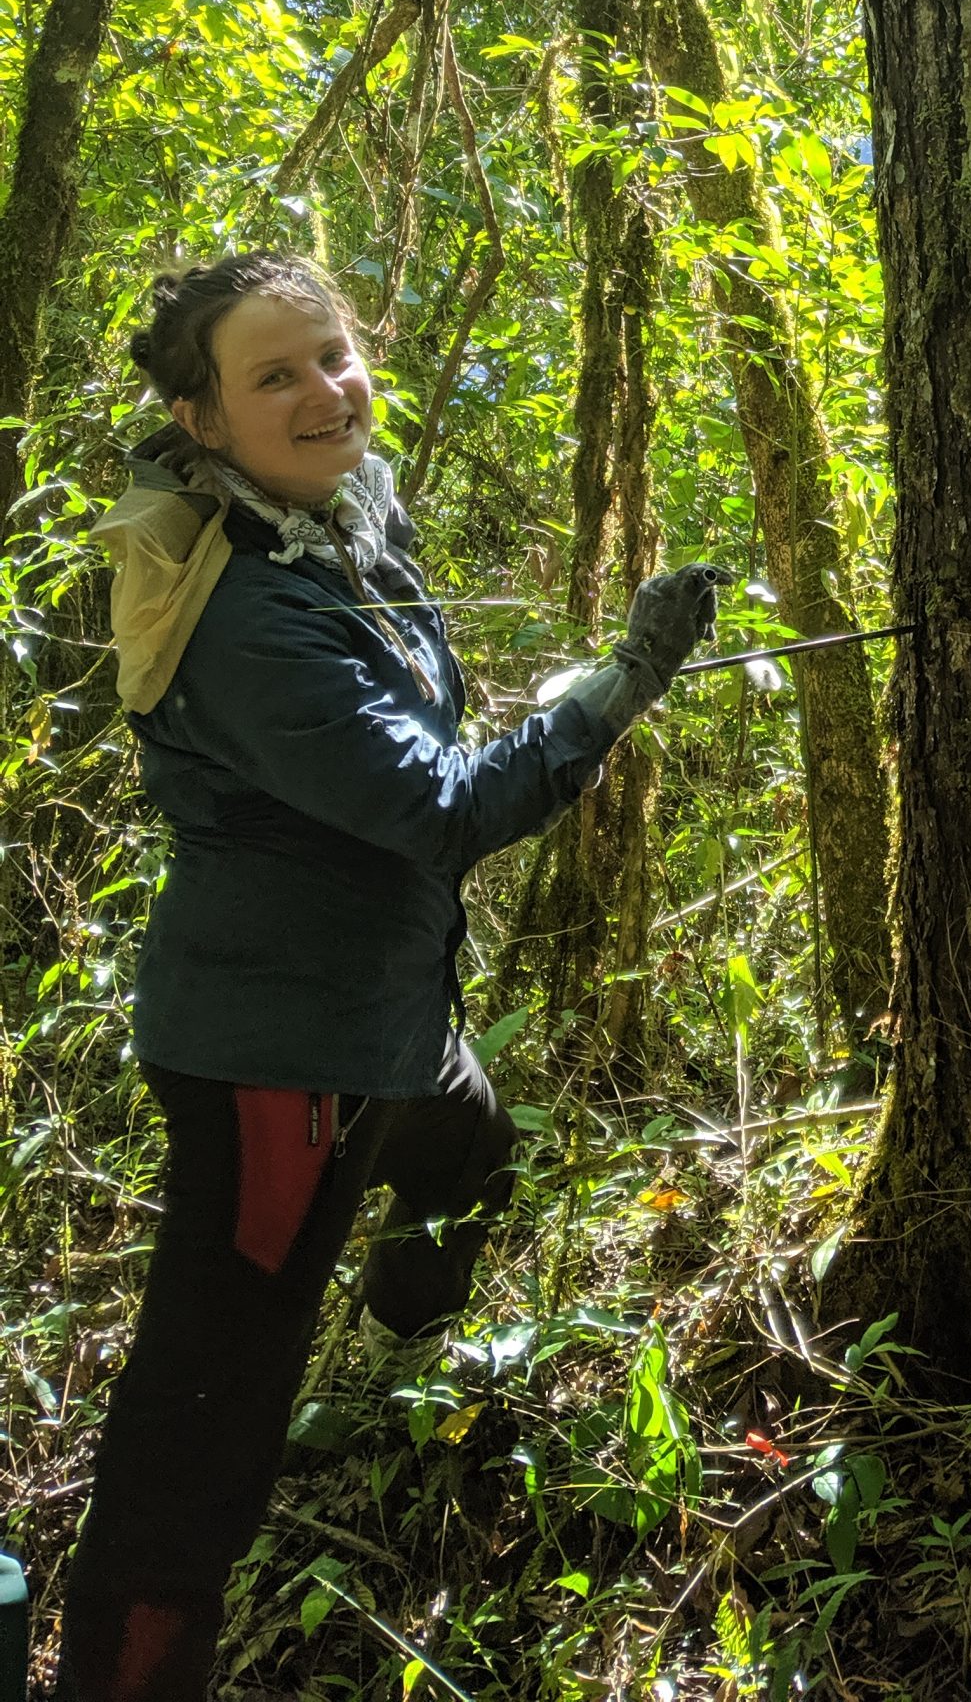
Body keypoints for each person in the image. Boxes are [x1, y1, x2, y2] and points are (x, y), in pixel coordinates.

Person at [56, 252, 725, 1702]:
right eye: (274, 375)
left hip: (379, 1021)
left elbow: (405, 724)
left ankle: (382, 1386)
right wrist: (617, 691)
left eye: (332, 353)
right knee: (202, 1433)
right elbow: (440, 809)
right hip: (278, 1063)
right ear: (201, 420)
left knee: (468, 1146)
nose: (325, 390)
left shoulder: (332, 517)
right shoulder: (244, 614)